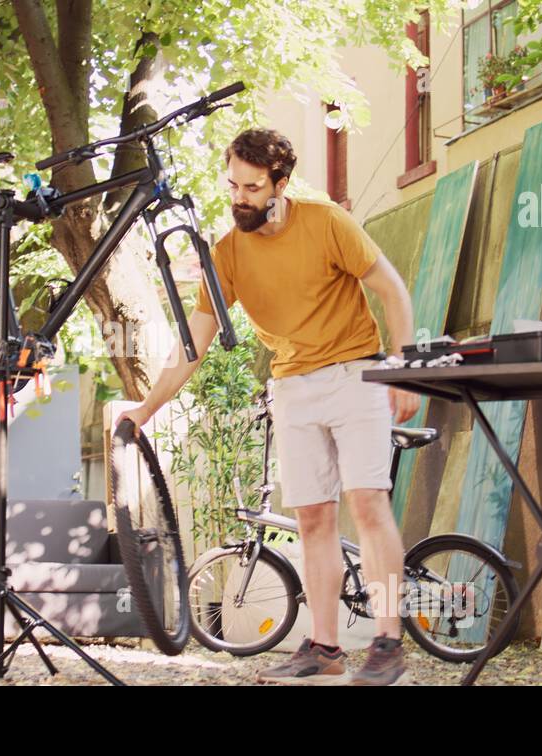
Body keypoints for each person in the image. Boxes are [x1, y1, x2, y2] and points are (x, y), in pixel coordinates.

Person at [115, 128, 419, 685]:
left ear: (281, 183)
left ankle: (388, 643)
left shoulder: (327, 223)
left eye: (253, 187)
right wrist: (148, 408)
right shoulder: (226, 254)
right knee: (312, 518)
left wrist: (402, 366)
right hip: (293, 387)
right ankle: (324, 651)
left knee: (369, 504)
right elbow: (192, 344)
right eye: (233, 184)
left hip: (356, 375)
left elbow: (393, 289)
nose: (240, 198)